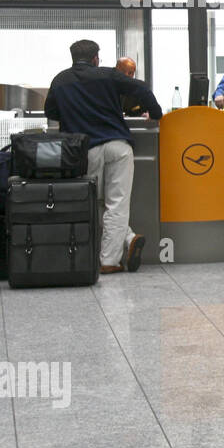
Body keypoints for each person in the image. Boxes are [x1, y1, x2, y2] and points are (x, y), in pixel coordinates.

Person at [45, 39, 163, 274]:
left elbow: (51, 112)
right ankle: (116, 253)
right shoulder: (108, 75)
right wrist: (156, 113)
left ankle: (117, 250)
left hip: (85, 150)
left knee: (94, 202)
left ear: (72, 57)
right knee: (117, 204)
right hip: (117, 146)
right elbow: (141, 88)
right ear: (96, 58)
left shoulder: (60, 80)